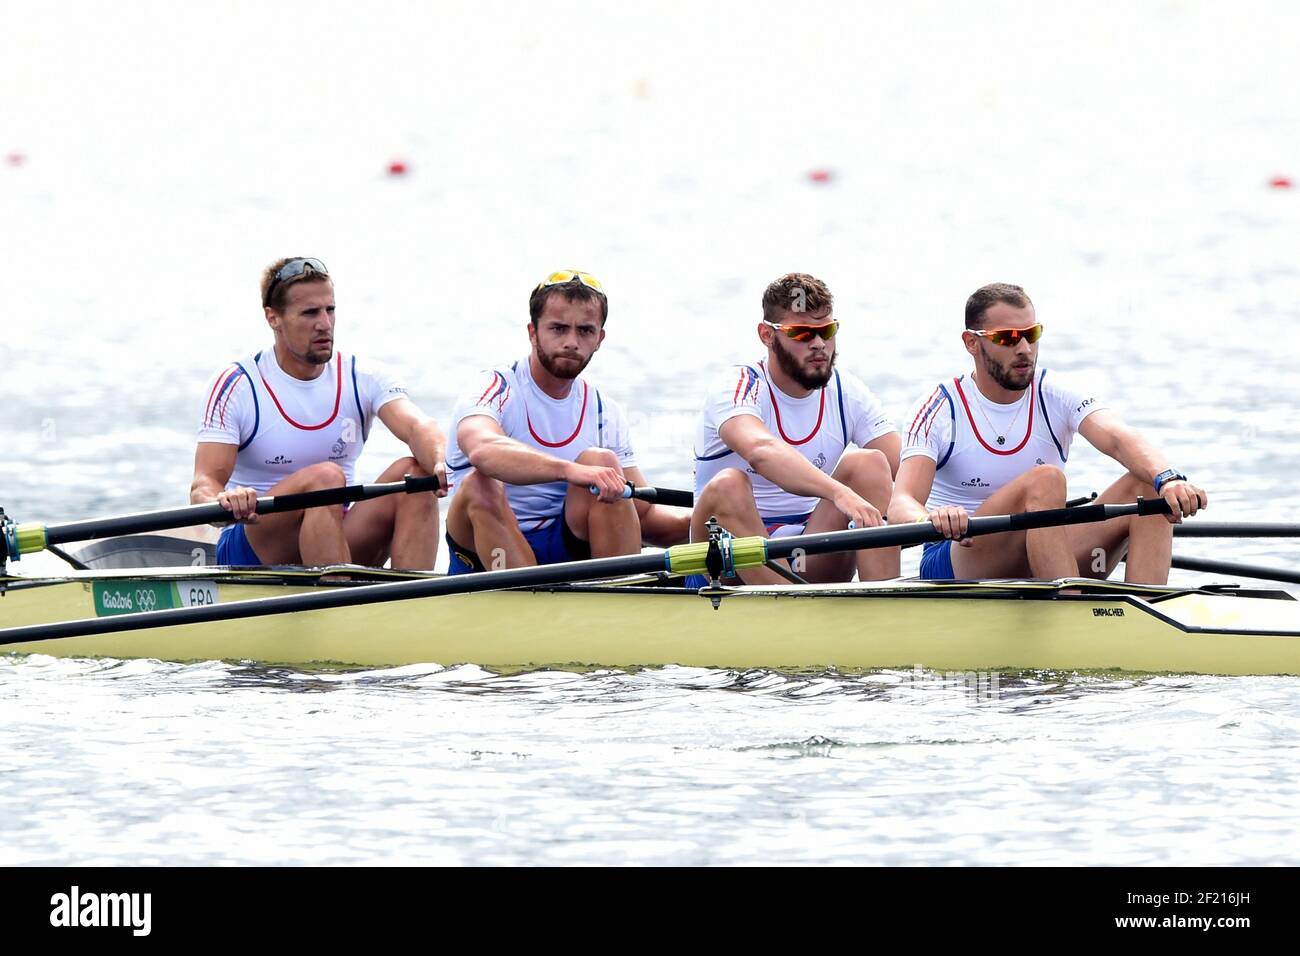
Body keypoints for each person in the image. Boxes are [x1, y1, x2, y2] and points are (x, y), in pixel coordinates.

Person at [888, 282, 1207, 583]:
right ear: (972, 342)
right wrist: (929, 520)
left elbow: (1117, 436)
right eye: (1008, 337)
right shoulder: (939, 408)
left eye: (1032, 334)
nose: (1024, 348)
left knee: (1146, 485)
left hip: (1043, 545)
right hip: (960, 556)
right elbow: (901, 502)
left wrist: (1168, 478)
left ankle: (1147, 616)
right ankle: (1070, 608)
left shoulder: (1054, 392)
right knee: (1046, 479)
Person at [191, 257, 447, 569]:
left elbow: (416, 425)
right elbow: (204, 484)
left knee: (416, 473)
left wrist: (438, 459)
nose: (324, 323)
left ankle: (414, 606)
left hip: (334, 534)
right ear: (273, 318)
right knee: (326, 477)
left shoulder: (362, 375)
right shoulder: (237, 384)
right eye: (310, 313)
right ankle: (338, 607)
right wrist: (223, 499)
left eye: (330, 310)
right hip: (256, 542)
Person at [443, 269, 689, 573]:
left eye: (584, 331)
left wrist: (713, 518)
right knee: (479, 484)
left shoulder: (602, 410)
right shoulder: (494, 389)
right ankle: (523, 600)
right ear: (532, 332)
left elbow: (643, 514)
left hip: (564, 547)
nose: (571, 342)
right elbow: (481, 449)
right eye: (558, 328)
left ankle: (622, 598)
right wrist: (573, 471)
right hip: (489, 553)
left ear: (599, 339)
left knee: (602, 461)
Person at [690, 272, 900, 585]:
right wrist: (840, 493)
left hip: (807, 554)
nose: (819, 344)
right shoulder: (737, 387)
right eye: (802, 333)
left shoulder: (847, 391)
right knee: (728, 485)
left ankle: (888, 608)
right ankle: (794, 610)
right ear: (766, 335)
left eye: (826, 330)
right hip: (728, 562)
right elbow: (762, 451)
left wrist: (939, 513)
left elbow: (907, 466)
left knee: (868, 464)